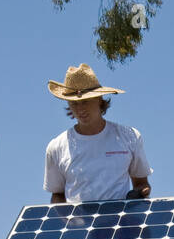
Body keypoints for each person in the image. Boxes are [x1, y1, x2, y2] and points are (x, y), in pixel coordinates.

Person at [44, 63, 153, 204]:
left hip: (122, 223)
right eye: (74, 103)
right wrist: (71, 222)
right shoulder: (56, 147)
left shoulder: (129, 137)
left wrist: (140, 193)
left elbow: (141, 183)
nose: (80, 108)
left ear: (99, 99)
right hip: (78, 226)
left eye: (86, 101)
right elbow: (57, 195)